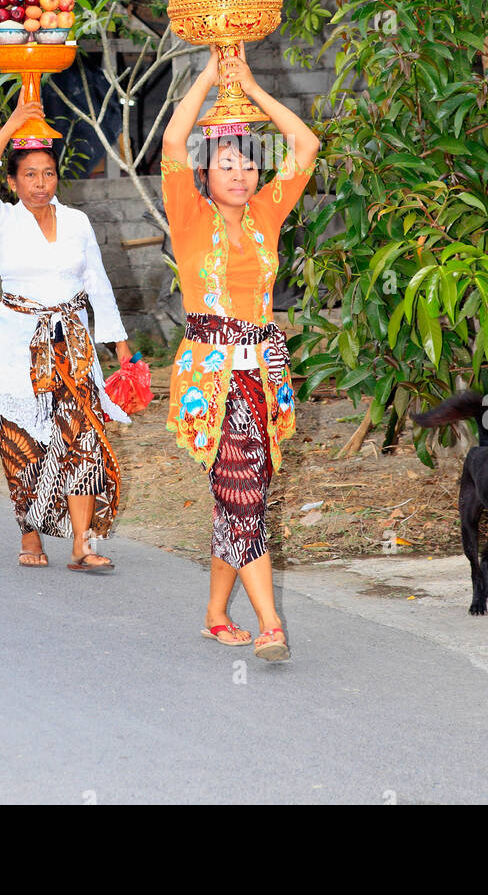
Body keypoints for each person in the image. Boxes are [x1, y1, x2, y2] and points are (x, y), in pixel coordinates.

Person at [161, 45, 320, 660]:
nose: (238, 174)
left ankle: (213, 613)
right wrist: (207, 77)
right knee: (244, 495)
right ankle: (270, 625)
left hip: (265, 376)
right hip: (210, 377)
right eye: (225, 164)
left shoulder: (267, 215)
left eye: (247, 164)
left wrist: (250, 88)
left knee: (242, 495)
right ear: (206, 173)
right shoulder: (189, 217)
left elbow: (304, 146)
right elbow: (175, 141)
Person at [0, 91, 131, 571]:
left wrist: (120, 345)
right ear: (14, 181)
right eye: (30, 175)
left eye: (48, 174)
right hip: (21, 345)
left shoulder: (78, 222)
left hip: (73, 344)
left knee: (83, 436)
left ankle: (82, 545)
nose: (40, 184)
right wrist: (15, 120)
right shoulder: (1, 221)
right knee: (24, 445)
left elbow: (97, 283)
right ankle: (31, 535)